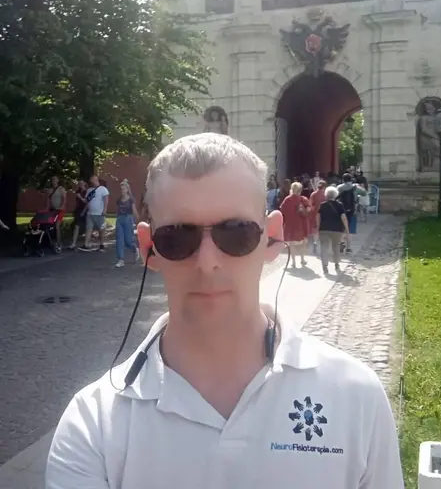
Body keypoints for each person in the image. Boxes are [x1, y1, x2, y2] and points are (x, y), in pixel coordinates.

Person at [46, 133, 404, 489]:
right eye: (177, 237)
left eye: (236, 232)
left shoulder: (355, 395)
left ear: (272, 238)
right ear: (148, 248)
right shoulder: (93, 424)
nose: (207, 263)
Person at [317, 186, 350, 276]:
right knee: (336, 247)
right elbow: (343, 218)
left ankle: (325, 267)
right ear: (335, 195)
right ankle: (336, 264)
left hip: (324, 229)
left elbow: (318, 217)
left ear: (326, 195)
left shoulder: (322, 205)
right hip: (337, 229)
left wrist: (317, 228)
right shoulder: (339, 205)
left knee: (324, 248)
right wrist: (347, 230)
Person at [279, 181, 310, 268]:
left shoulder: (287, 199)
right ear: (300, 190)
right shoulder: (303, 199)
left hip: (289, 224)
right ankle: (302, 259)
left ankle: (293, 262)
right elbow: (308, 211)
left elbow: (282, 210)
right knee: (302, 243)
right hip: (301, 224)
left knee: (291, 244)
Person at [78, 175, 109, 252]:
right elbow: (87, 201)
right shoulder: (89, 190)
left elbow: (106, 200)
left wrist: (105, 210)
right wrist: (81, 198)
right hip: (90, 213)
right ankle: (86, 245)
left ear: (96, 180)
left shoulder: (103, 189)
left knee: (101, 230)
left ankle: (101, 245)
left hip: (99, 213)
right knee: (89, 228)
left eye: (92, 179)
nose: (90, 181)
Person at [115, 181, 140, 268]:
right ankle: (121, 260)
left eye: (123, 189)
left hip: (128, 219)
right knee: (119, 240)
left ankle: (135, 249)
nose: (122, 191)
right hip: (120, 219)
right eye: (121, 189)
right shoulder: (119, 200)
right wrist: (117, 220)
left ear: (127, 190)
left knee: (128, 241)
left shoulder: (131, 199)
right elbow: (117, 210)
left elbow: (134, 211)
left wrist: (138, 220)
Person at [337, 173, 364, 250]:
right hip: (352, 210)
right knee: (350, 230)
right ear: (351, 179)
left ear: (343, 179)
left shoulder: (339, 187)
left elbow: (335, 196)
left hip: (341, 210)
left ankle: (342, 242)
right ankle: (348, 247)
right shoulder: (355, 187)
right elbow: (364, 193)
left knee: (341, 228)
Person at [47, 176, 66, 249]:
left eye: (55, 179)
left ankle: (59, 242)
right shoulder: (50, 190)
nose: (54, 181)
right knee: (49, 225)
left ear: (58, 180)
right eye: (52, 179)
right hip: (52, 210)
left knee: (57, 225)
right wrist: (47, 208)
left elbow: (64, 199)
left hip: (60, 210)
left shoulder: (61, 189)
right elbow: (48, 200)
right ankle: (51, 241)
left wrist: (61, 207)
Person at [309, 179, 327, 254]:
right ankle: (322, 244)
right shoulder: (325, 195)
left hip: (314, 214)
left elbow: (310, 205)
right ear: (324, 187)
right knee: (322, 229)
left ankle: (315, 242)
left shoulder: (313, 194)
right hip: (323, 214)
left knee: (315, 229)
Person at [69, 180, 87, 249]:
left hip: (85, 210)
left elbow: (87, 202)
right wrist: (74, 210)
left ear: (84, 184)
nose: (80, 184)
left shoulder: (87, 192)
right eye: (79, 183)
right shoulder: (78, 192)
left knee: (88, 227)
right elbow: (77, 202)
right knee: (76, 226)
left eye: (82, 183)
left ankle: (87, 243)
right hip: (78, 210)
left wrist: (80, 197)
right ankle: (73, 243)